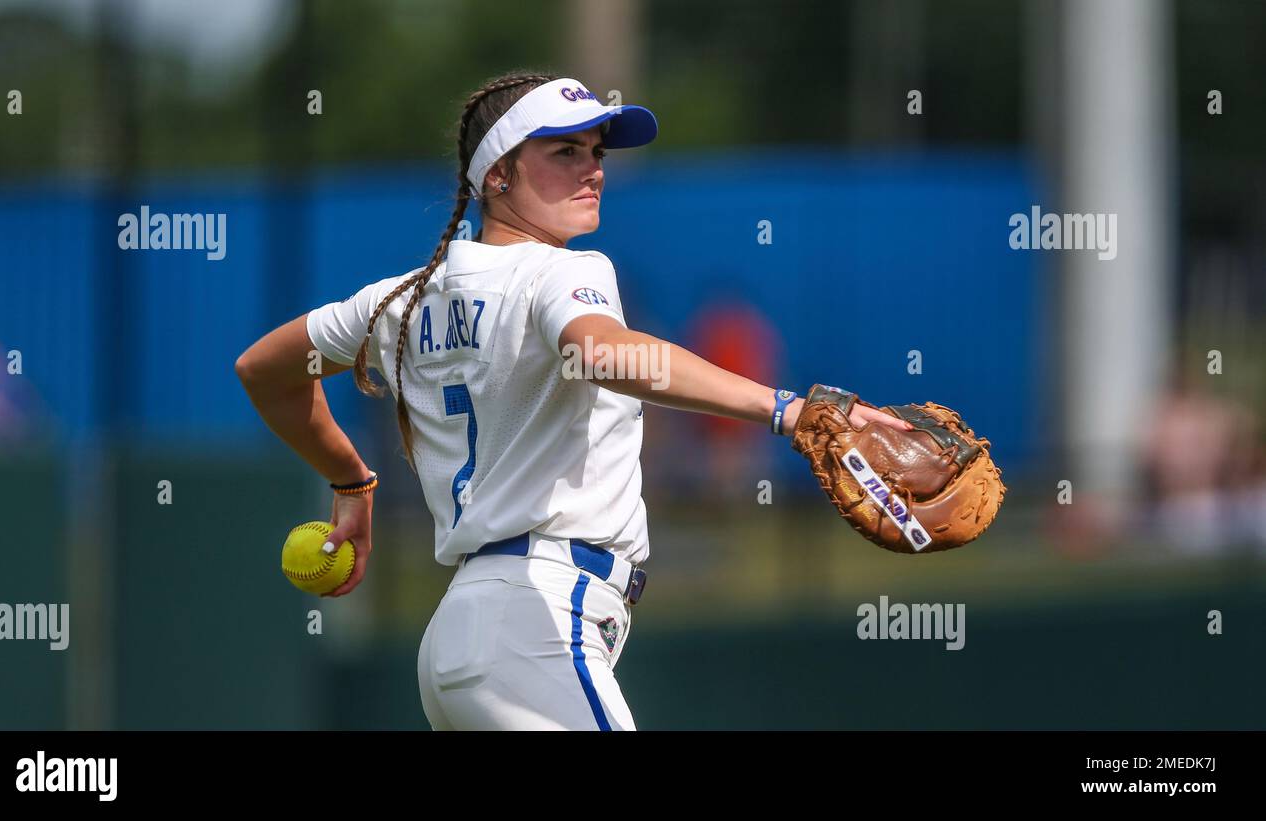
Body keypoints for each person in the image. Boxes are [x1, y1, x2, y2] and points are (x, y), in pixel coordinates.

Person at [236, 71, 910, 730]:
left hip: (465, 642)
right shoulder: (561, 272)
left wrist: (351, 480)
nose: (593, 170)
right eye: (564, 151)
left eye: (596, 152)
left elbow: (264, 370)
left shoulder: (398, 300)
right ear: (496, 173)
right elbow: (602, 352)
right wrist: (788, 409)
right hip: (537, 621)